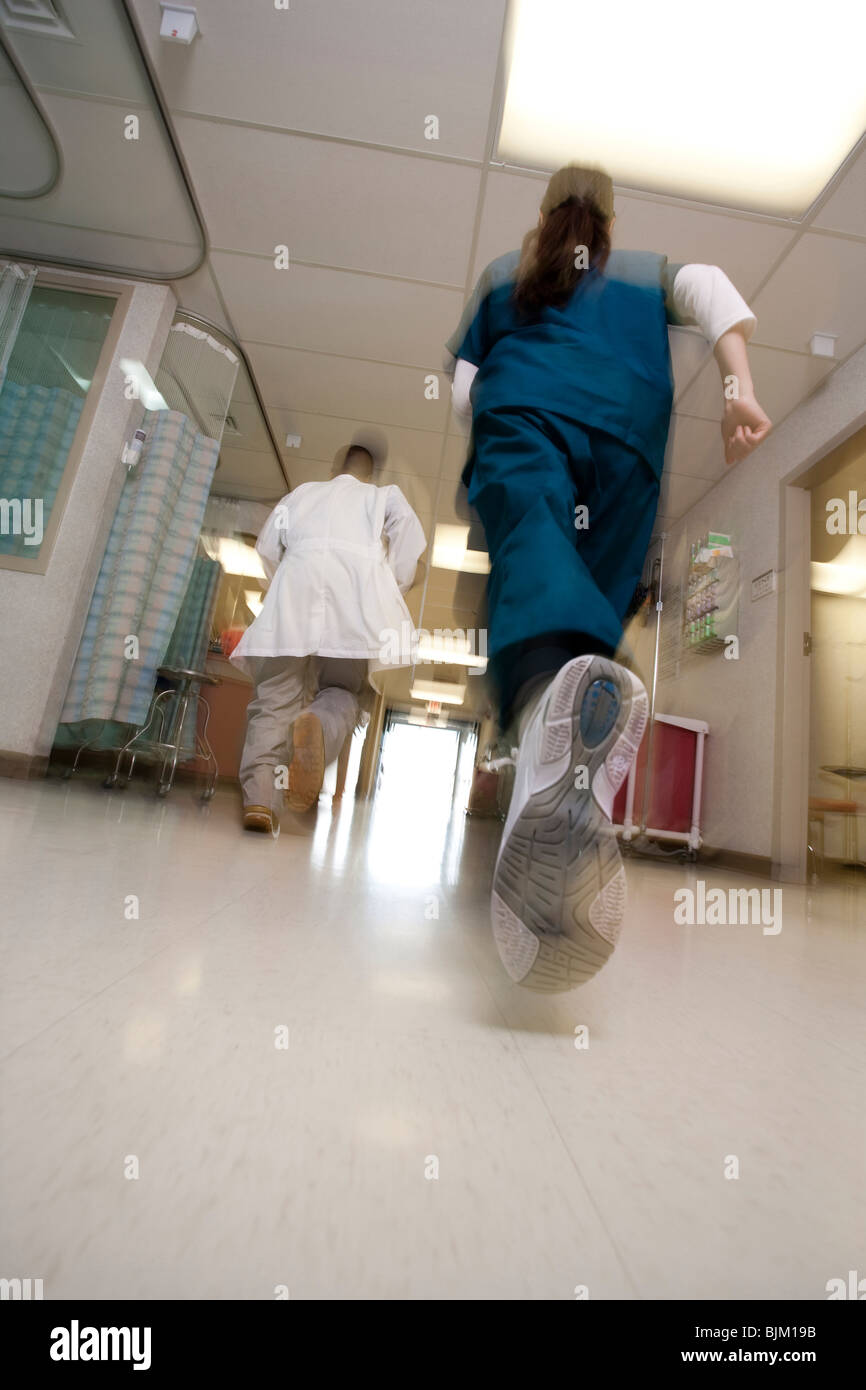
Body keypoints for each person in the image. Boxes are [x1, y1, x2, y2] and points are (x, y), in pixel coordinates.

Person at [445, 162, 772, 992]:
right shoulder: (641, 272)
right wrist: (739, 388)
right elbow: (711, 288)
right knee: (588, 594)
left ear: (545, 211)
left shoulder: (503, 278)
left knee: (533, 549)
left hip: (525, 411)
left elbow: (463, 393)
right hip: (626, 437)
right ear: (611, 221)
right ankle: (559, 742)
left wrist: (493, 433)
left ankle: (540, 734)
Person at [231, 434, 427, 833]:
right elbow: (410, 547)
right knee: (340, 692)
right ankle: (319, 723)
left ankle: (260, 802)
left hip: (291, 606)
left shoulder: (301, 494)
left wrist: (284, 587)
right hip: (351, 612)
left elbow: (268, 549)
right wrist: (386, 588)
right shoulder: (383, 498)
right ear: (371, 475)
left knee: (273, 700)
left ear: (334, 470)